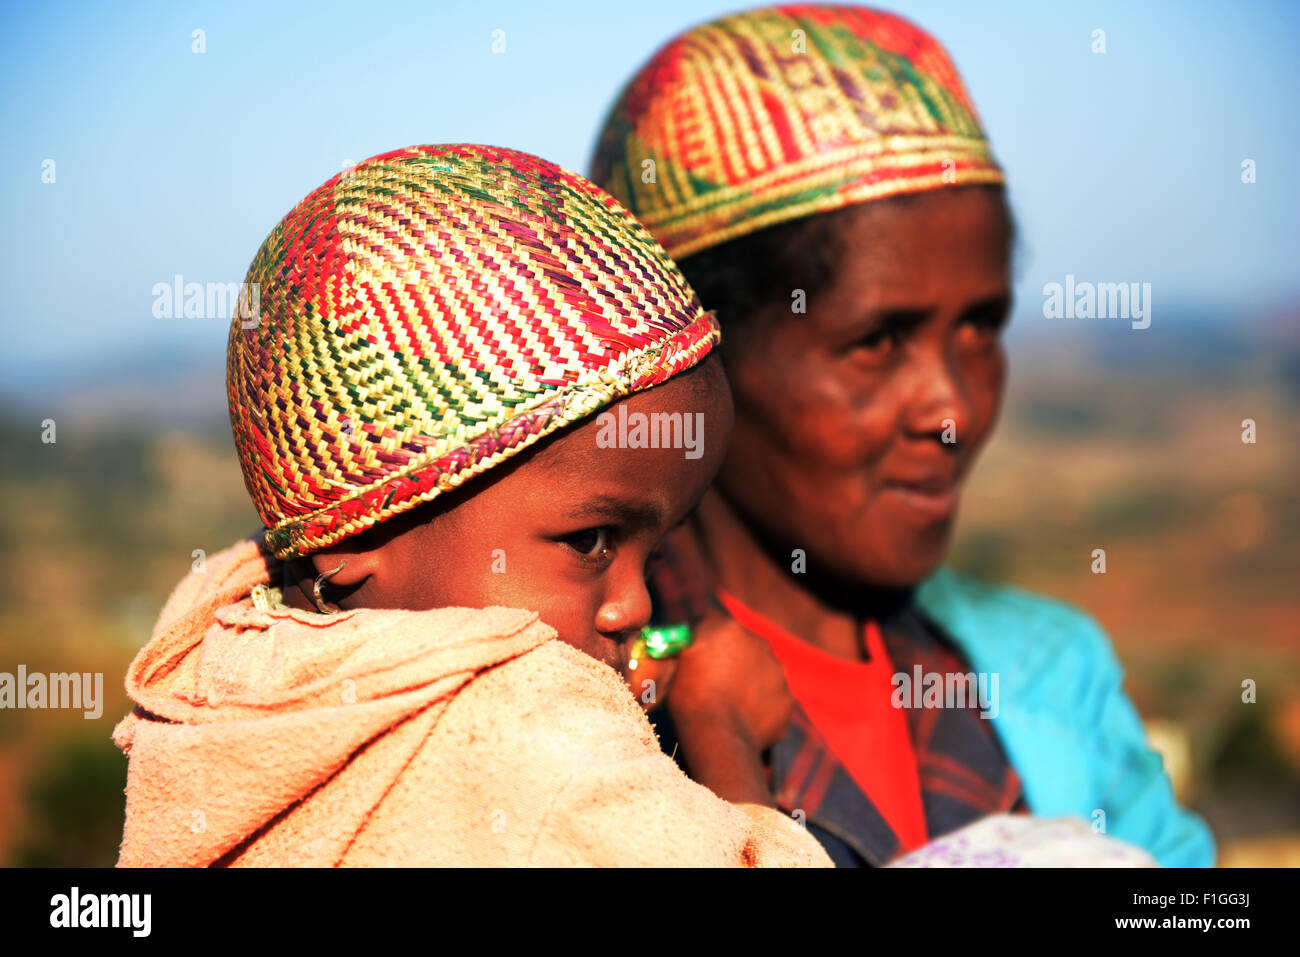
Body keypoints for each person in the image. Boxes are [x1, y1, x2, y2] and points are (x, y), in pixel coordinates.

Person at [590, 4, 1215, 867]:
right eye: (876, 342)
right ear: (692, 364)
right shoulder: (588, 704)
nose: (953, 408)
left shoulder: (1048, 676)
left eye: (981, 327)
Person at [112, 143, 830, 867]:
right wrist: (722, 733)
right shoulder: (539, 738)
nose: (635, 607)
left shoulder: (213, 661)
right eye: (592, 542)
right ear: (365, 530)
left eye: (659, 548)